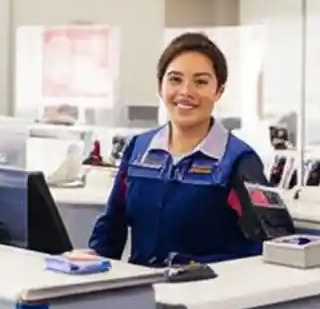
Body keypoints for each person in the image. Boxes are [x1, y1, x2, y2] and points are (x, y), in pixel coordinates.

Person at [89, 32, 267, 267]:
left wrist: (194, 268)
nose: (186, 91)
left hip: (208, 296)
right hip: (140, 294)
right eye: (175, 79)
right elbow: (113, 224)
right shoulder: (138, 149)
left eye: (201, 82)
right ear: (160, 86)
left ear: (219, 91)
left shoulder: (239, 161)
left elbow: (268, 245)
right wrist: (92, 259)